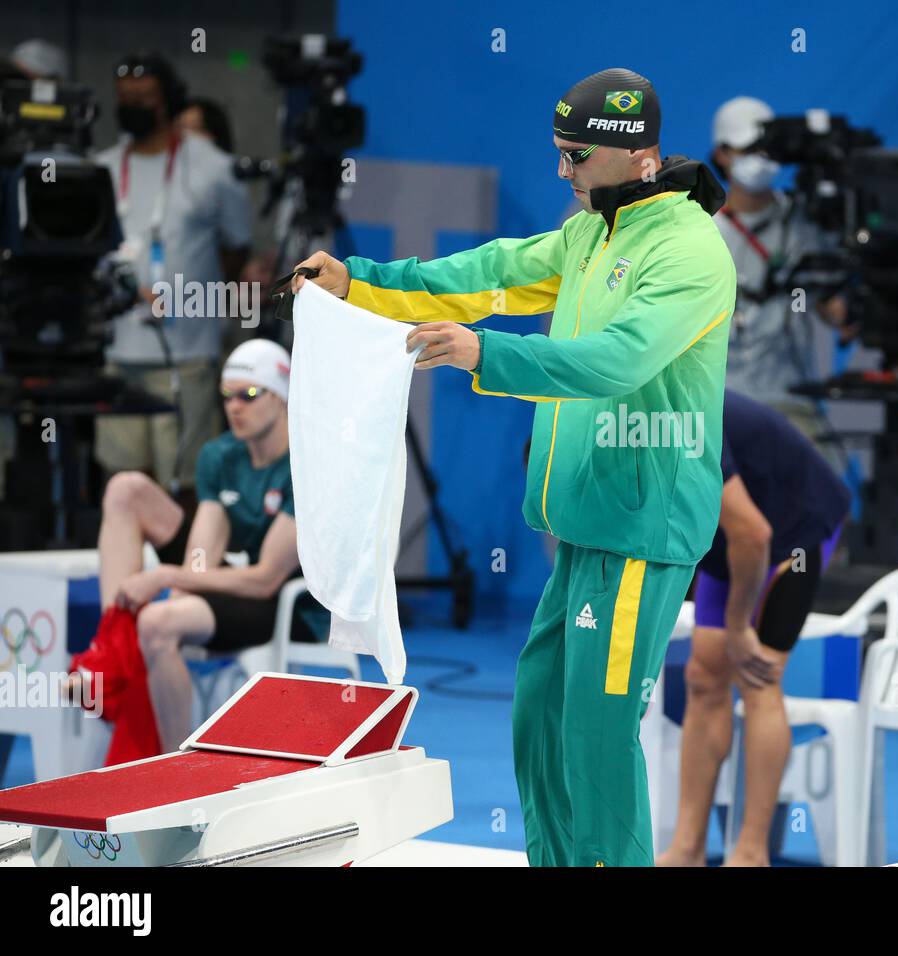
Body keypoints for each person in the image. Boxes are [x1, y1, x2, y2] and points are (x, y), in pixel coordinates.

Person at [294, 67, 735, 867]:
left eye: (575, 155)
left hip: (642, 531)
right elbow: (489, 275)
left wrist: (485, 354)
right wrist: (363, 285)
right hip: (586, 525)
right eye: (557, 152)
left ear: (636, 153)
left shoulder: (689, 250)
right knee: (540, 718)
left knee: (597, 734)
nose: (561, 171)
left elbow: (617, 360)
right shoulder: (592, 232)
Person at [68, 340, 329, 752]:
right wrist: (183, 585)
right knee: (125, 489)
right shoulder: (220, 456)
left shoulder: (306, 464)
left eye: (249, 394)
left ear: (282, 397)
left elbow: (265, 580)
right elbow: (202, 555)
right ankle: (114, 648)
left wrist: (168, 579)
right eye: (227, 395)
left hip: (283, 603)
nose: (234, 407)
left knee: (158, 623)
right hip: (232, 584)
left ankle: (175, 764)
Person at [657, 390, 849, 867]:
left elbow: (755, 533)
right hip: (731, 535)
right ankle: (687, 848)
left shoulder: (685, 417)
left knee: (758, 677)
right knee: (703, 678)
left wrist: (738, 625)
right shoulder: (623, 426)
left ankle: (751, 851)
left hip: (793, 531)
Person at [94, 52, 252, 512]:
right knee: (123, 483)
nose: (133, 106)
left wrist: (195, 298)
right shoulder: (103, 167)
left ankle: (187, 558)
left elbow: (236, 248)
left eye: (144, 97)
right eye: (125, 98)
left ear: (169, 100)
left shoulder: (212, 167)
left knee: (185, 483)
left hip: (185, 353)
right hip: (117, 352)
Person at [710, 95, 852, 459]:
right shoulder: (703, 233)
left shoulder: (804, 221)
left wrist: (848, 313)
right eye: (747, 150)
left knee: (822, 480)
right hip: (720, 404)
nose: (758, 160)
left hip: (792, 399)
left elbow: (832, 306)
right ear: (722, 154)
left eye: (765, 150)